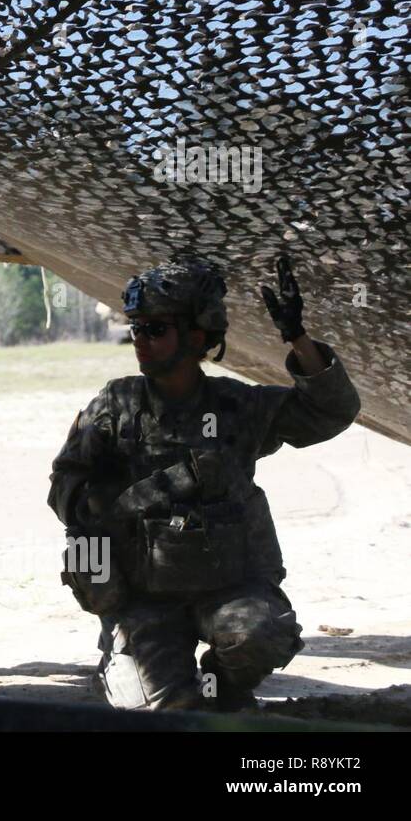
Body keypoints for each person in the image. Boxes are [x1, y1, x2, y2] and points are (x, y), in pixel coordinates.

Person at [48, 256, 360, 711]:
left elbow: (331, 411)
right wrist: (109, 501)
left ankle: (225, 684)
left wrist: (298, 338)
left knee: (262, 635)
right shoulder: (116, 405)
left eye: (156, 329)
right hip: (143, 602)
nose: (141, 340)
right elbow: (63, 489)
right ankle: (141, 669)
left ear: (197, 336)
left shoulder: (235, 405)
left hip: (227, 590)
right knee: (163, 710)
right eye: (136, 328)